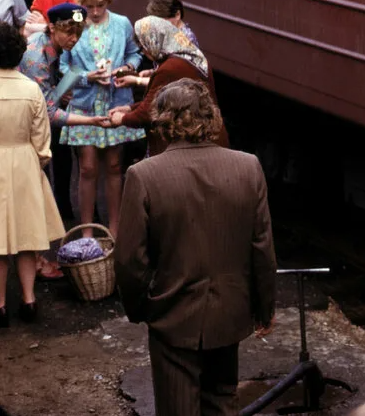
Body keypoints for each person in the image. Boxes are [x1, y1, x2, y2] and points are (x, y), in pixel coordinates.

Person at [115, 78, 276, 416]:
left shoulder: (143, 175)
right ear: (210, 118)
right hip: (230, 311)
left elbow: (130, 260)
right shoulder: (248, 167)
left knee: (177, 407)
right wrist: (264, 308)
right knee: (222, 401)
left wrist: (142, 308)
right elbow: (262, 246)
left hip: (172, 314)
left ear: (162, 121)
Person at [19, 3, 109, 278]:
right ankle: (34, 262)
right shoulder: (36, 55)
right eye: (69, 32)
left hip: (29, 127)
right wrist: (91, 121)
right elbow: (47, 110)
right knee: (30, 198)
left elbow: (56, 87)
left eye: (78, 33)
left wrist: (85, 77)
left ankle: (34, 259)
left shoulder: (51, 45)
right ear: (52, 28)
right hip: (21, 132)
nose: (74, 39)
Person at [59, 0, 143, 239]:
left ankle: (115, 229)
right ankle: (87, 231)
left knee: (116, 166)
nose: (94, 12)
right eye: (89, 6)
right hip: (85, 104)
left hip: (116, 102)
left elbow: (134, 53)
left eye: (99, 6)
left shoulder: (121, 23)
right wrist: (87, 77)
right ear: (80, 3)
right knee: (87, 168)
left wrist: (127, 68)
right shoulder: (74, 21)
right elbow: (64, 64)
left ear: (108, 1)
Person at [0, 21, 66, 326]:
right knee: (26, 239)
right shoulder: (30, 90)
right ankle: (29, 300)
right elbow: (42, 141)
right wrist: (37, 162)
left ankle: (0, 305)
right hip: (25, 164)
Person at [108, 16, 227, 157]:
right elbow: (160, 102)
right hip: (205, 137)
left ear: (154, 40)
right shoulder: (186, 56)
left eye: (144, 46)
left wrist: (122, 119)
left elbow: (149, 112)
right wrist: (129, 109)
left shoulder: (170, 68)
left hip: (192, 146)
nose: (144, 52)